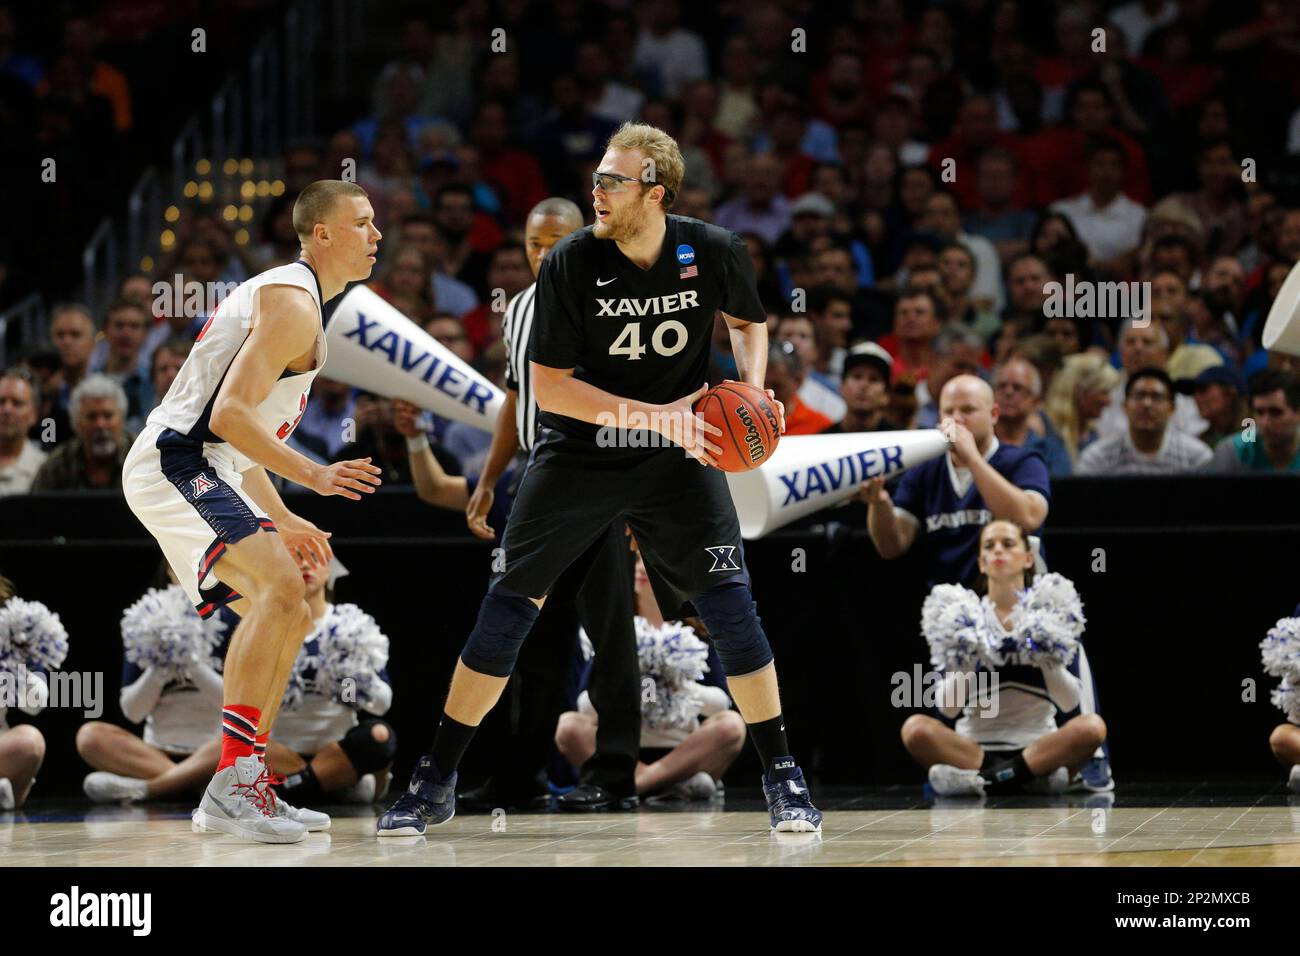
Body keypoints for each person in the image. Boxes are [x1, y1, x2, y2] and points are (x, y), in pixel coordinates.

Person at [378, 122, 822, 836]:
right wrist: (655, 416)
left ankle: (782, 775)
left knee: (735, 612)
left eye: (614, 180)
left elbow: (748, 322)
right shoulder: (570, 263)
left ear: (658, 192)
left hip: (679, 457)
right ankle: (435, 778)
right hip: (579, 456)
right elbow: (549, 389)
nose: (598, 191)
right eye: (597, 178)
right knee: (506, 612)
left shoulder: (713, 250)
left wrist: (754, 387)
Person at [120, 180, 384, 844]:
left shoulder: (294, 300)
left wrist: (287, 519)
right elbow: (229, 417)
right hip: (177, 461)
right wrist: (317, 475)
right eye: (363, 222)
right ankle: (236, 781)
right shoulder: (294, 304)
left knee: (289, 599)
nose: (377, 234)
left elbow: (243, 442)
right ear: (322, 233)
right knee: (282, 588)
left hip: (208, 464)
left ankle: (238, 783)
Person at [399, 195, 642, 812]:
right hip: (539, 476)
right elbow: (514, 397)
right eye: (533, 245)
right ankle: (520, 775)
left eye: (555, 241)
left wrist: (636, 492)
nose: (543, 255)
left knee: (610, 631)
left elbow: (637, 398)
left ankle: (615, 777)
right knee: (530, 635)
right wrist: (487, 479)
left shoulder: (611, 300)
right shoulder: (521, 308)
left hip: (600, 473)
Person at [864, 374, 1113, 792]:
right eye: (947, 411)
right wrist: (880, 505)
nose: (955, 420)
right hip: (959, 615)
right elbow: (892, 545)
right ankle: (998, 772)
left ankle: (1094, 764)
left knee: (1073, 663)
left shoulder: (1021, 460)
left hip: (1022, 605)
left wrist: (973, 460)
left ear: (994, 414)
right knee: (937, 714)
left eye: (967, 410)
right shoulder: (925, 471)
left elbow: (1029, 516)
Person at [902, 520, 1107, 796]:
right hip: (973, 748)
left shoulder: (1050, 615)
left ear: (1028, 558)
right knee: (915, 729)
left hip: (1039, 747)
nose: (998, 550)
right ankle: (1028, 780)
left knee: (1092, 728)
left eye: (1008, 544)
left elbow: (1070, 703)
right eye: (989, 546)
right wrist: (968, 662)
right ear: (982, 562)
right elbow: (946, 710)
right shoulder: (960, 617)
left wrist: (1046, 658)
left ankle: (983, 782)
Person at [556, 552, 746, 801]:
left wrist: (680, 689)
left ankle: (634, 786)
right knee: (568, 726)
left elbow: (723, 703)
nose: (641, 570)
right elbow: (584, 707)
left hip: (685, 752)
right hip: (621, 751)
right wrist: (627, 688)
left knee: (732, 725)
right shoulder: (611, 628)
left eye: (652, 563)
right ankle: (670, 787)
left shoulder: (698, 628)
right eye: (636, 561)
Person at [77, 570, 233, 803]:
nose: (188, 568)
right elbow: (133, 712)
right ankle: (201, 786)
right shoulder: (146, 619)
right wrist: (159, 670)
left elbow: (234, 704)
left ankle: (149, 789)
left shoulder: (231, 616)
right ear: (169, 572)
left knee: (251, 740)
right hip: (154, 754)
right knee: (90, 736)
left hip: (213, 751)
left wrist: (193, 665)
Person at [1078, 367, 1213, 475]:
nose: (1147, 404)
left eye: (1157, 397)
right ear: (1125, 406)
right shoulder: (1097, 458)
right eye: (1139, 396)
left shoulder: (1196, 458)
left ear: (1172, 409)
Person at [31, 374, 132, 491]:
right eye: (91, 417)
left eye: (108, 416)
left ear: (122, 419)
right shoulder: (58, 465)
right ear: (76, 423)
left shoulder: (141, 456)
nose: (100, 425)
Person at [1207, 371, 1300, 474]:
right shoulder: (1234, 451)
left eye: (1275, 413)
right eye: (1260, 413)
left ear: (1298, 413)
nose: (1265, 423)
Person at [993, 357, 1073, 476]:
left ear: (1035, 401)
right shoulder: (978, 442)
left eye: (1017, 388)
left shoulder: (1050, 451)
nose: (1008, 392)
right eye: (1002, 386)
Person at [824, 342, 902, 433]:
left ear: (886, 394)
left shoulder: (901, 441)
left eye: (874, 379)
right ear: (842, 386)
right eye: (857, 376)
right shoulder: (824, 442)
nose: (864, 385)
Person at [0, 370, 47, 495]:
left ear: (34, 415)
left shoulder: (46, 469)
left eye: (17, 403)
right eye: (1, 401)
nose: (7, 410)